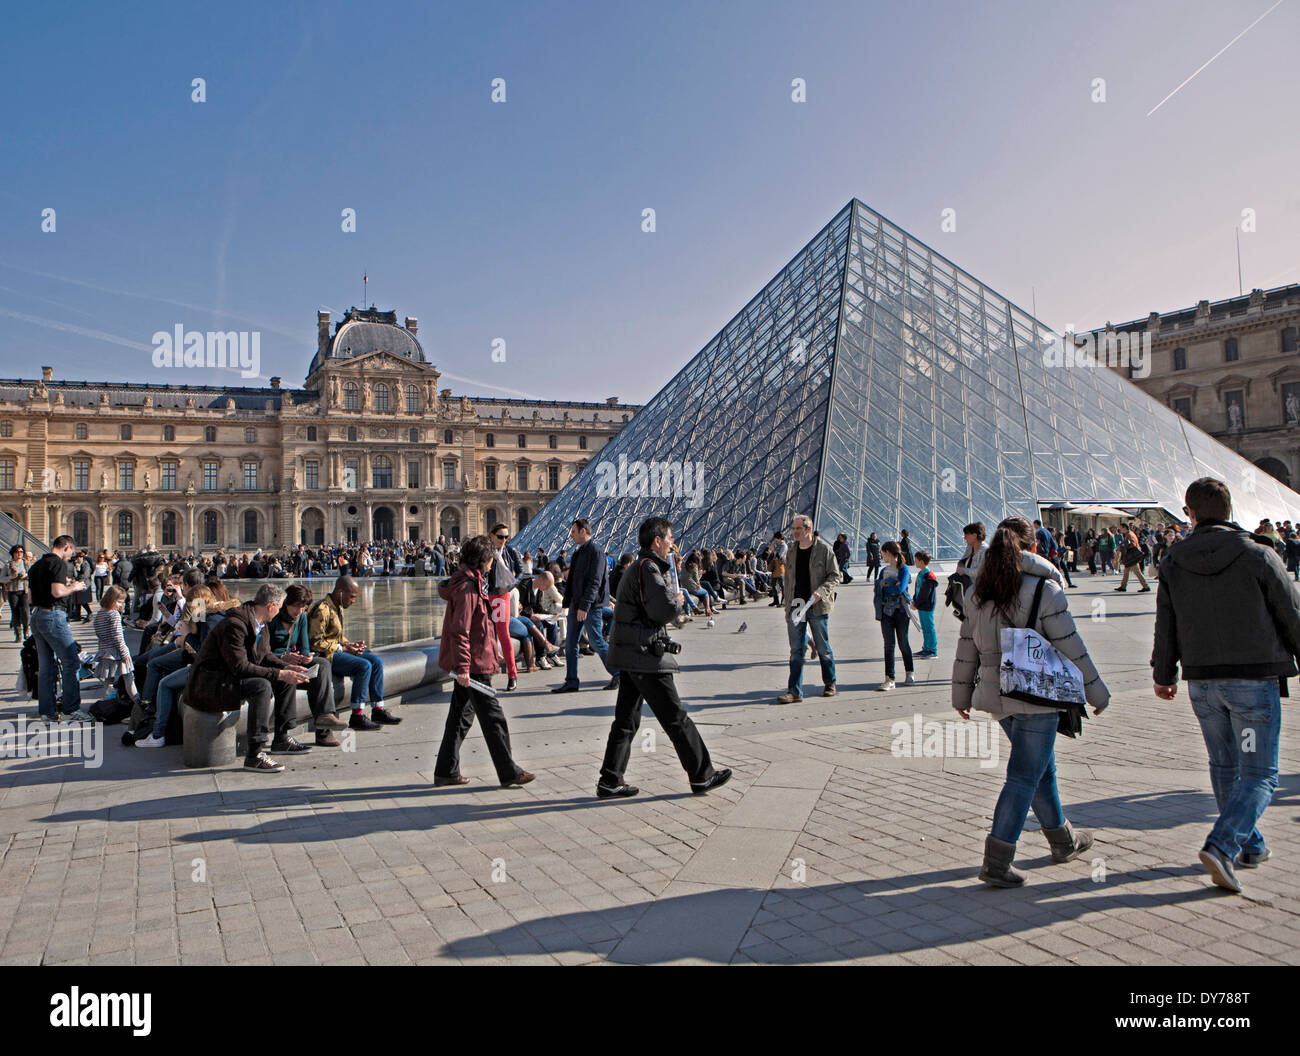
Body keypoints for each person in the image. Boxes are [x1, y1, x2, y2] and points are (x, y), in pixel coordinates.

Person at [1151, 478, 1300, 894]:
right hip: (1252, 683)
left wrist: (1164, 674)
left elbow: (1167, 623)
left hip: (1204, 684)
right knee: (1258, 774)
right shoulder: (1258, 554)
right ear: (1230, 510)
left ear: (1191, 513)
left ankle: (1251, 847)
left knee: (1224, 766)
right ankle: (1222, 845)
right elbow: (1291, 613)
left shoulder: (1174, 559)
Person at [952, 516, 1109, 887]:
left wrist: (961, 696)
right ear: (1034, 547)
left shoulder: (979, 590)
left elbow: (965, 647)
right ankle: (997, 860)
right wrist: (1097, 692)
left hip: (996, 695)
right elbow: (1073, 648)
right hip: (1036, 694)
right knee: (1024, 774)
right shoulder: (1045, 590)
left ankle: (1063, 841)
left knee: (1041, 769)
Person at [598, 517, 730, 798]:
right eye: (669, 538)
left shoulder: (640, 566)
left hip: (630, 652)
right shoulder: (648, 568)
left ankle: (610, 780)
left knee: (626, 720)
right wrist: (677, 601)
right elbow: (663, 610)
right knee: (675, 717)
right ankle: (701, 775)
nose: (672, 543)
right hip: (644, 654)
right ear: (657, 541)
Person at [433, 535, 535, 788]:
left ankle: (446, 770)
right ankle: (509, 771)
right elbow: (461, 630)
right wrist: (465, 667)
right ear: (482, 560)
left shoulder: (470, 581)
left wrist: (492, 650)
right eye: (490, 560)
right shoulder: (467, 587)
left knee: (460, 717)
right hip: (473, 666)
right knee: (494, 718)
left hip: (475, 660)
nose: (492, 565)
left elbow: (478, 626)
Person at [183, 583, 314, 772]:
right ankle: (255, 753)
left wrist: (286, 667)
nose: (279, 612)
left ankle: (282, 738)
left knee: (285, 680)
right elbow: (240, 667)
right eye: (279, 607)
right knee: (261, 686)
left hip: (231, 676)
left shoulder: (261, 622)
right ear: (271, 606)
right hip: (215, 681)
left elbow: (265, 655)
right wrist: (279, 673)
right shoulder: (235, 624)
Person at [308, 576, 399, 730]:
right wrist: (342, 648)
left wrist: (350, 645)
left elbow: (337, 636)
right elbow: (315, 642)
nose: (353, 601)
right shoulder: (322, 609)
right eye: (352, 596)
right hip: (327, 656)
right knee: (363, 666)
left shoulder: (337, 607)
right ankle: (357, 715)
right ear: (340, 592)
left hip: (338, 650)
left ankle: (378, 709)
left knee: (376, 662)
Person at [268, 584, 345, 747]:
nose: (300, 611)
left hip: (295, 662)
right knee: (290, 675)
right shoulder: (272, 618)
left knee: (322, 664)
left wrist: (306, 658)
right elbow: (262, 652)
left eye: (303, 607)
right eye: (296, 606)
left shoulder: (301, 618)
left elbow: (305, 647)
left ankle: (324, 722)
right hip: (275, 663)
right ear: (286, 603)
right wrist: (283, 657)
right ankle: (283, 737)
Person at [775, 514, 839, 703]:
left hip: (817, 605)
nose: (794, 533)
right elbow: (788, 581)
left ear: (808, 529)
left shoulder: (824, 550)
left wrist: (822, 591)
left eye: (798, 529)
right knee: (796, 650)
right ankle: (794, 691)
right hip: (796, 604)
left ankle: (830, 682)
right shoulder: (792, 551)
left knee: (822, 647)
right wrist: (787, 607)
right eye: (793, 529)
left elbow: (835, 576)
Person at [28, 535, 90, 721]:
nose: (71, 555)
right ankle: (71, 709)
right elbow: (57, 592)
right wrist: (74, 587)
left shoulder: (35, 566)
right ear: (66, 547)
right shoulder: (58, 564)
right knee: (71, 661)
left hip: (37, 615)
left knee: (47, 666)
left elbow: (30, 598)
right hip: (53, 615)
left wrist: (64, 586)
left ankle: (47, 712)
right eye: (71, 551)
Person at [552, 519, 616, 693]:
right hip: (576, 604)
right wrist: (570, 601)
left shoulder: (596, 551)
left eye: (573, 531)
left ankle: (618, 673)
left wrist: (585, 606)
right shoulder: (579, 552)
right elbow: (573, 580)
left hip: (590, 605)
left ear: (583, 531)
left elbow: (595, 581)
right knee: (571, 642)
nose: (571, 535)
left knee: (596, 641)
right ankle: (571, 681)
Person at [487, 524, 524, 691]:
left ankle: (512, 675)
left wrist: (509, 588)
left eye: (506, 537)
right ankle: (487, 673)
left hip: (501, 596)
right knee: (486, 634)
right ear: (492, 535)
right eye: (500, 536)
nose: (503, 540)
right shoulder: (485, 552)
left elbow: (522, 573)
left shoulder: (511, 551)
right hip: (486, 597)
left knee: (503, 634)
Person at [874, 541, 914, 691]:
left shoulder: (903, 570)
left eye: (883, 553)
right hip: (886, 611)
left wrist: (886, 585)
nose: (882, 555)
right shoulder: (883, 571)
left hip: (901, 612)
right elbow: (879, 589)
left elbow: (900, 588)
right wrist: (890, 585)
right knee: (889, 645)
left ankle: (910, 672)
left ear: (890, 553)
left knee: (903, 642)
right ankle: (889, 678)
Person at [91, 585, 137, 702]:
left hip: (104, 651)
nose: (120, 605)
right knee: (129, 679)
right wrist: (125, 653)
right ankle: (139, 704)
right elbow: (118, 637)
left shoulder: (100, 613)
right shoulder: (114, 614)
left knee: (108, 683)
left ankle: (105, 706)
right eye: (119, 602)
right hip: (116, 652)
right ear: (112, 600)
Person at [913, 550, 939, 658]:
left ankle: (932, 650)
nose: (915, 562)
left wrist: (916, 603)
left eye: (916, 561)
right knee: (925, 627)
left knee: (929, 627)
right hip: (922, 605)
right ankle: (926, 647)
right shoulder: (921, 574)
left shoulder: (928, 576)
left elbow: (924, 593)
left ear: (922, 562)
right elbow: (918, 589)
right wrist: (915, 600)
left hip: (926, 605)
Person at [1114, 522, 1151, 592]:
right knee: (1126, 571)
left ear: (1124, 528)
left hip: (1132, 557)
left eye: (1121, 528)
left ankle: (1146, 586)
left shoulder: (1129, 534)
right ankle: (1123, 586)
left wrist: (1124, 546)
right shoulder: (1130, 533)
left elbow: (1133, 544)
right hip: (1131, 557)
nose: (1120, 529)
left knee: (1137, 572)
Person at [5, 544, 29, 643]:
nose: (19, 554)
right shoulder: (8, 564)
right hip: (12, 591)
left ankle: (26, 631)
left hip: (24, 590)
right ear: (13, 553)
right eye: (17, 552)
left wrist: (25, 575)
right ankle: (18, 635)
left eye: (21, 552)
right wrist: (11, 577)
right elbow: (1, 578)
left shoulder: (26, 563)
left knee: (25, 612)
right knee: (15, 612)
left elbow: (32, 574)